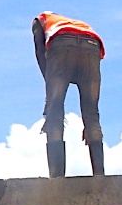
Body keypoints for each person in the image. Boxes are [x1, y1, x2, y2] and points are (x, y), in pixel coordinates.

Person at [33, 12, 105, 178]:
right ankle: (100, 175)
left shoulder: (40, 19)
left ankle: (57, 177)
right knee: (92, 113)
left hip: (62, 44)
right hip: (92, 44)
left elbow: (40, 51)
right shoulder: (77, 23)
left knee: (55, 111)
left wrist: (50, 88)